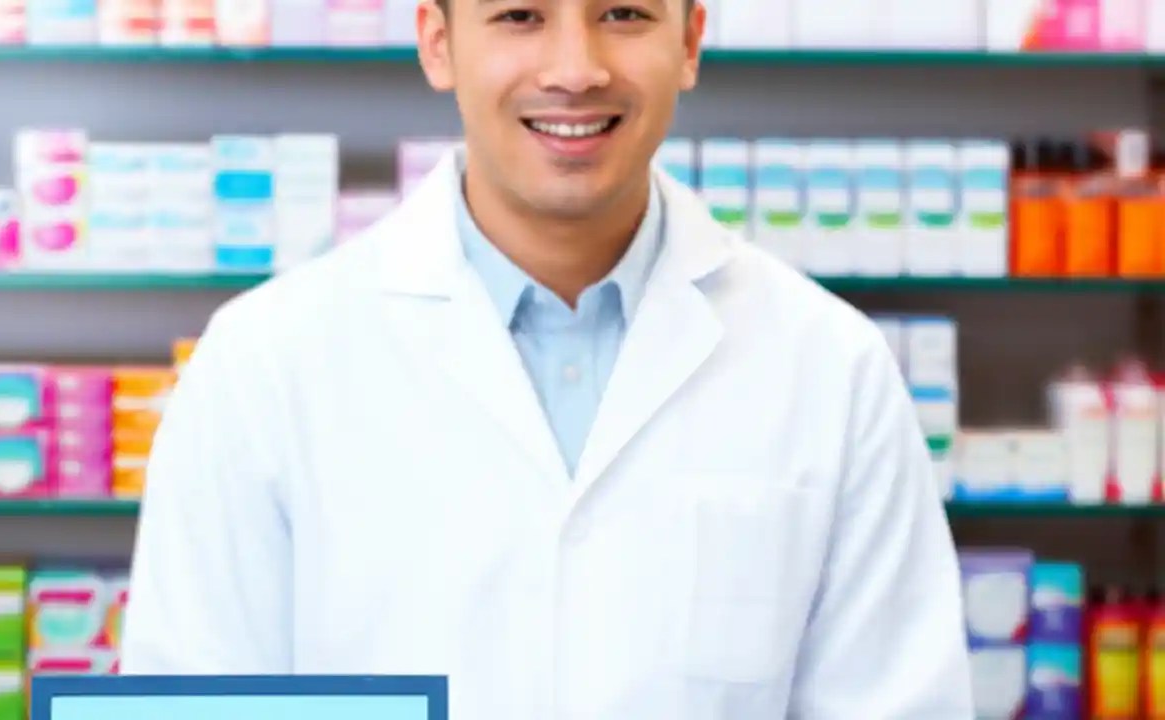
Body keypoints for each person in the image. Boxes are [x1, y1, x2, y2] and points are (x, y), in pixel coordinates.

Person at [120, 0, 976, 714]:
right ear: (439, 41)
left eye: (623, 14)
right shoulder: (266, 362)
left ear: (689, 41)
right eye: (521, 15)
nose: (576, 66)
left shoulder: (831, 367)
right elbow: (198, 695)